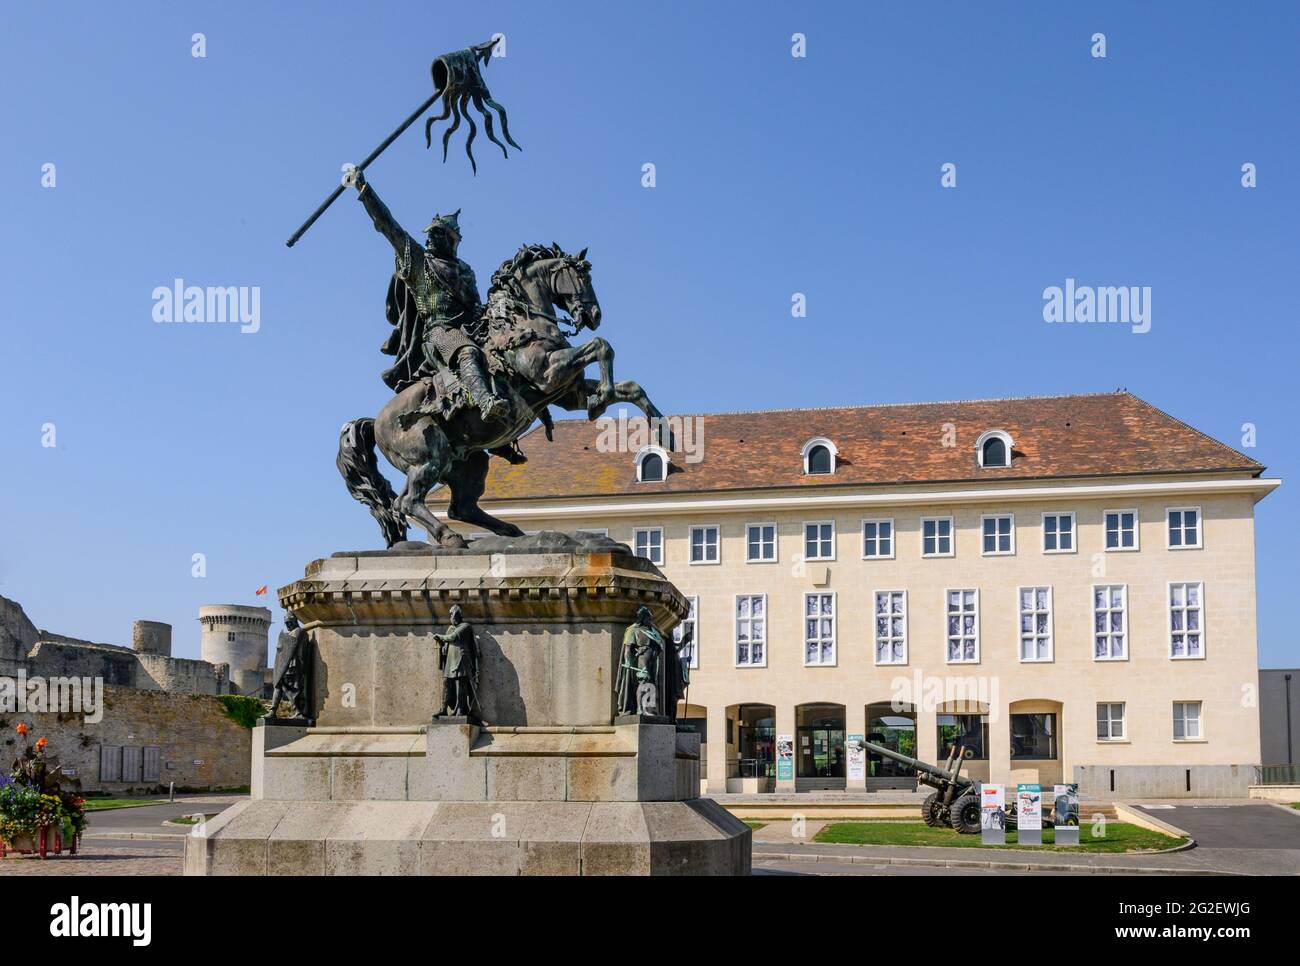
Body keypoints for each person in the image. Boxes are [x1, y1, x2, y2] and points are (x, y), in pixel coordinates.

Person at [351, 168, 507, 423]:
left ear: (452, 240)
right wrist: (364, 191)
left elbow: (476, 305)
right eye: (429, 233)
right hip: (439, 332)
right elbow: (389, 227)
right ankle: (485, 402)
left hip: (470, 327)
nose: (430, 237)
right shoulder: (420, 261)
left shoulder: (466, 271)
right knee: (467, 352)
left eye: (437, 233)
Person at [434, 605, 480, 719]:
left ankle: (460, 709)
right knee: (446, 682)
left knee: (460, 683)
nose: (450, 617)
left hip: (461, 659)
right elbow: (446, 645)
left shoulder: (465, 626)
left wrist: (440, 636)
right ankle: (443, 709)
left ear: (457, 615)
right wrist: (442, 645)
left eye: (452, 614)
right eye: (450, 615)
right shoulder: (450, 628)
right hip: (450, 661)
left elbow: (453, 637)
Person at [265, 614, 314, 724]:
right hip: (287, 666)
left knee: (291, 690)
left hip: (294, 666)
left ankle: (298, 712)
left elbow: (294, 648)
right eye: (286, 623)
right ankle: (273, 710)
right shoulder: (293, 633)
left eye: (289, 622)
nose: (288, 625)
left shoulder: (299, 631)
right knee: (279, 686)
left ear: (294, 621)